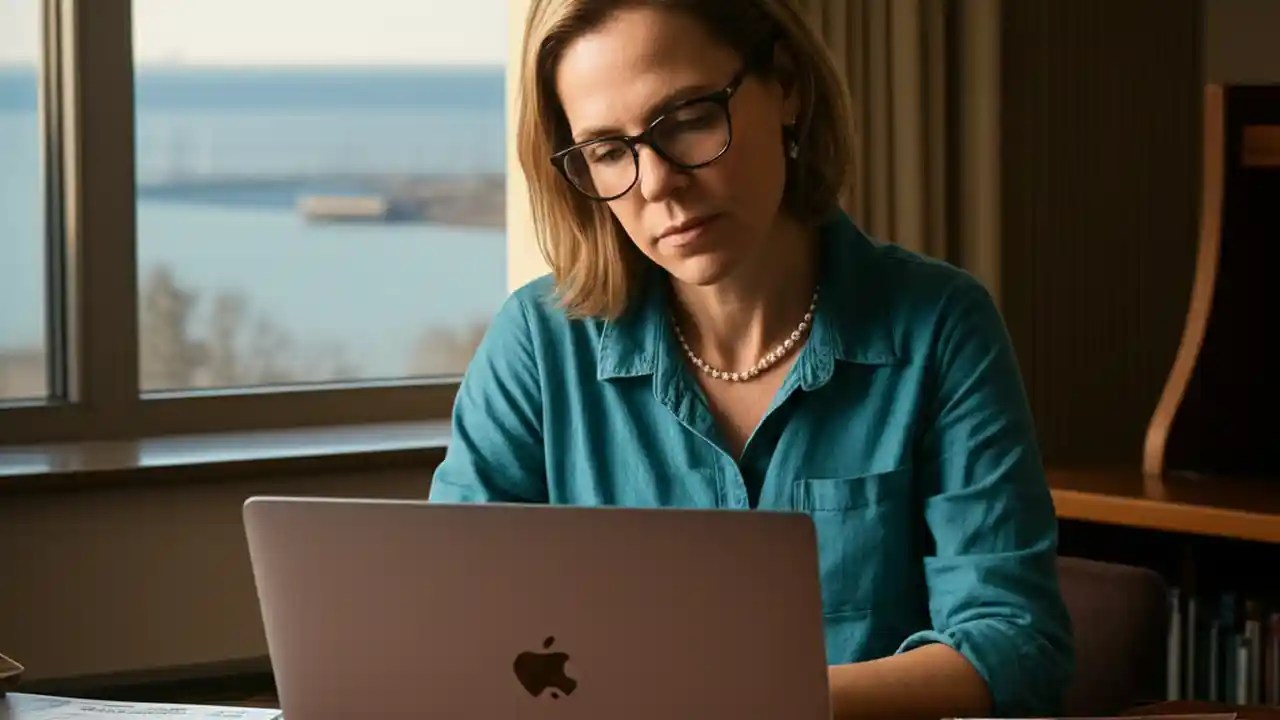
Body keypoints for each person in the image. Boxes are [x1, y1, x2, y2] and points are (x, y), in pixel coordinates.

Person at [428, 1, 1075, 717]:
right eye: (609, 151)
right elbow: (457, 625)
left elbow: (1016, 647)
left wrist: (749, 701)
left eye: (686, 120)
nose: (657, 184)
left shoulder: (940, 326)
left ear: (787, 86)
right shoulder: (538, 344)